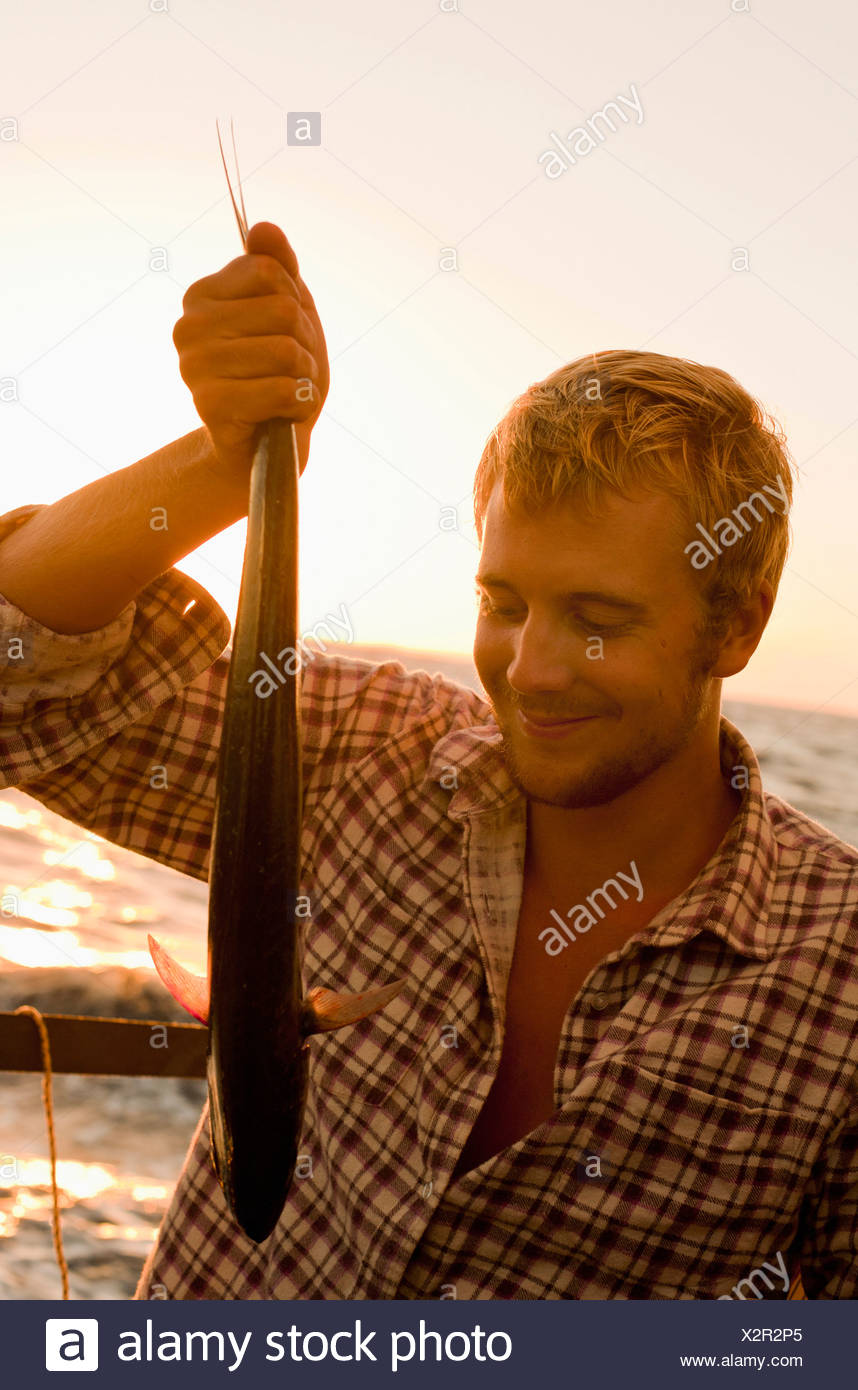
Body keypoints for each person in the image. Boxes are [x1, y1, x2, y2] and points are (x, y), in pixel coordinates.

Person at [0, 224, 855, 1300]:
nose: (533, 669)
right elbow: (17, 675)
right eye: (504, 603)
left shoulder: (843, 974)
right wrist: (229, 463)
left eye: (597, 619)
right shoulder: (359, 746)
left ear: (738, 627)